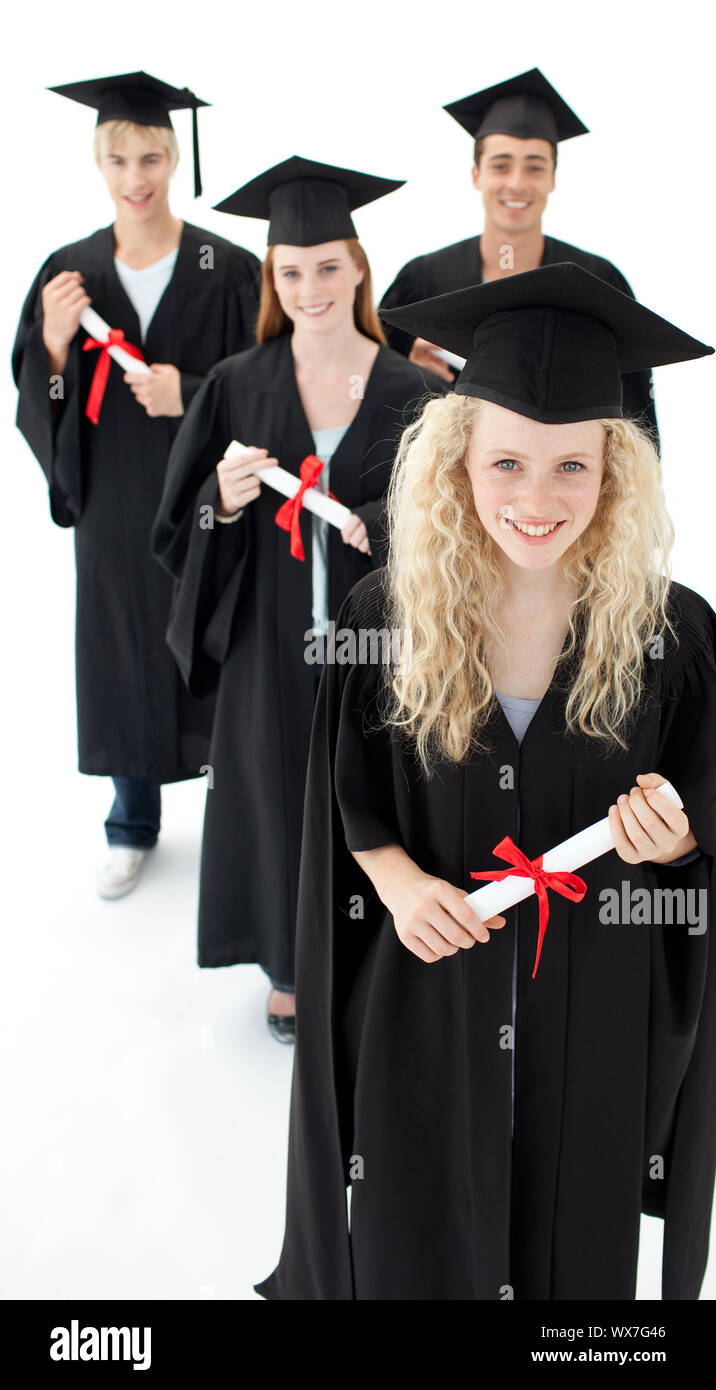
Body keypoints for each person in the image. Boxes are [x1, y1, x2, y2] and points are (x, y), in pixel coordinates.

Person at [256, 263, 716, 1299]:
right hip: (427, 997)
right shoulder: (389, 614)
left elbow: (704, 811)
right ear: (456, 459)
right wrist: (398, 882)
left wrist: (674, 843)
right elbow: (342, 799)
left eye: (571, 467)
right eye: (505, 461)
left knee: (569, 1261)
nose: (535, 497)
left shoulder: (668, 633)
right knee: (417, 1226)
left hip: (594, 1008)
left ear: (615, 474)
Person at [152, 156, 446, 1042]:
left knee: (379, 792)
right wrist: (223, 501)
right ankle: (286, 962)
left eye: (328, 266)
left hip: (379, 648)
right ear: (271, 280)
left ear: (358, 266)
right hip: (268, 641)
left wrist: (378, 526)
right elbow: (178, 527)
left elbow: (450, 530)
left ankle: (374, 957)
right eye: (291, 271)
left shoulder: (414, 393)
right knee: (276, 791)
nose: (311, 286)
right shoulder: (236, 386)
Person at [12, 72, 261, 899]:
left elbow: (268, 380)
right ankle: (132, 820)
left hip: (211, 503)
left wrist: (185, 391)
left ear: (173, 154)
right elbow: (39, 398)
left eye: (151, 155)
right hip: (116, 508)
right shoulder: (69, 272)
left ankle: (240, 823)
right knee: (122, 650)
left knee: (224, 648)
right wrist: (53, 348)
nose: (136, 176)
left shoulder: (224, 266)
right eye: (118, 158)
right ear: (99, 162)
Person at [379, 67, 657, 437]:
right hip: (448, 491)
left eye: (534, 167)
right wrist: (409, 374)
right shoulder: (423, 281)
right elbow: (373, 410)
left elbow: (634, 421)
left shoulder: (596, 283)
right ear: (476, 174)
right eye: (501, 165)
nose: (516, 183)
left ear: (553, 177)